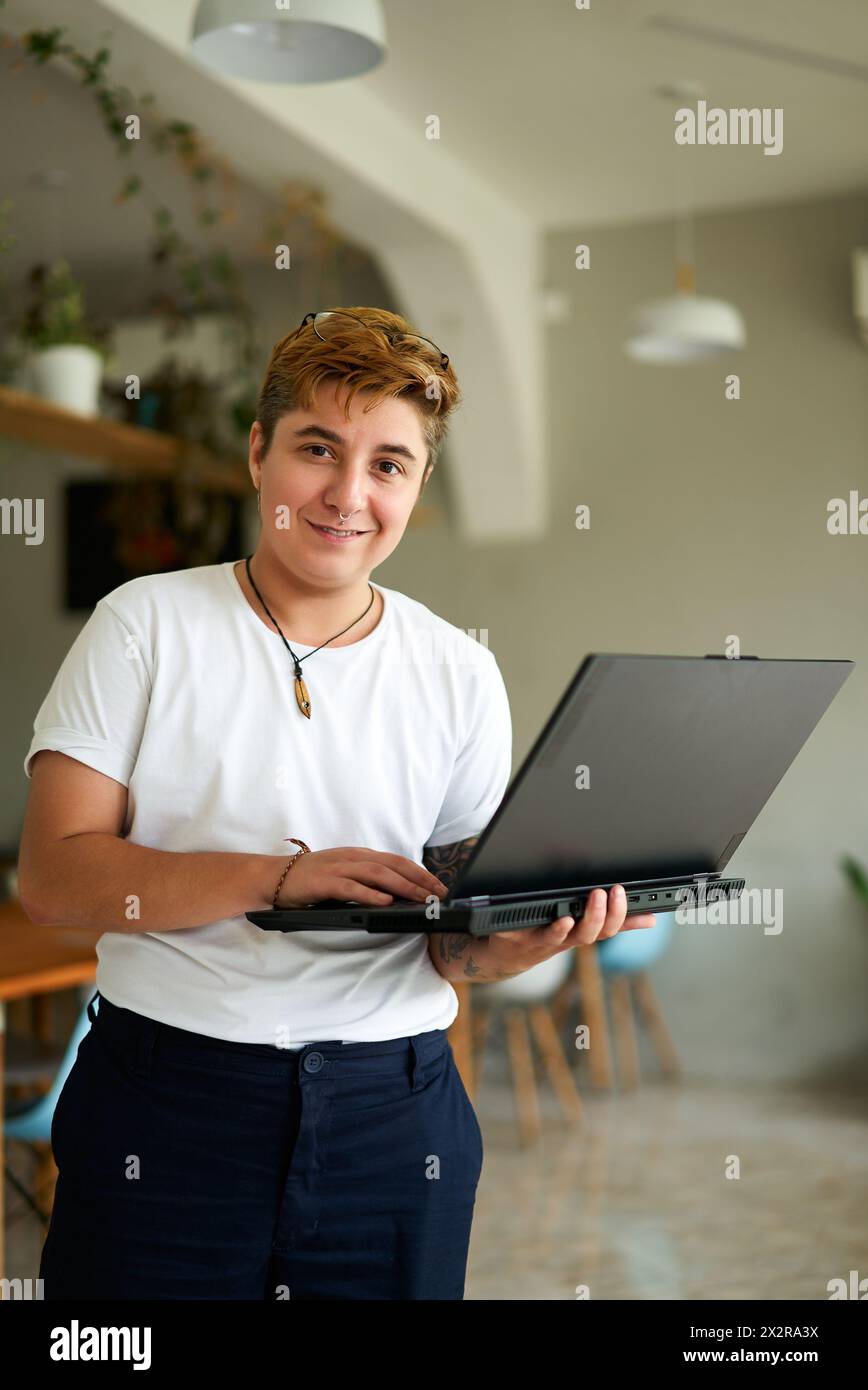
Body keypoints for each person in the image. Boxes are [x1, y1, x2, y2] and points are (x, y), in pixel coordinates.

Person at [17, 306, 655, 1300]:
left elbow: (450, 942)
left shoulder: (459, 670)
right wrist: (275, 876)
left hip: (395, 1117)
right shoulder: (142, 625)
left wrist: (525, 939)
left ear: (417, 484)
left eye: (388, 464)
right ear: (260, 452)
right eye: (319, 448)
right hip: (168, 1106)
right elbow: (54, 878)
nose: (348, 494)